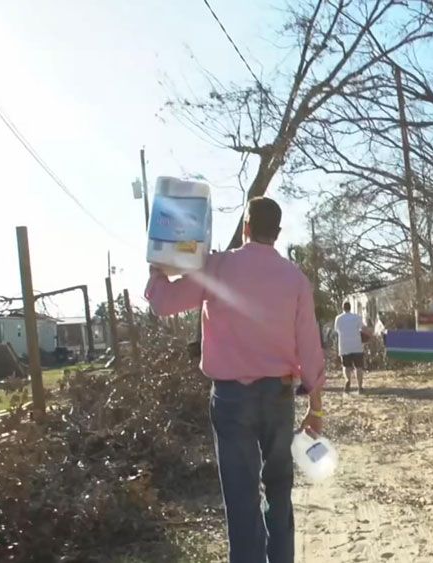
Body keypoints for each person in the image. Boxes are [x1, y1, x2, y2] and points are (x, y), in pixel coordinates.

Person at [145, 196, 325, 563]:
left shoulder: (218, 266)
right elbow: (309, 347)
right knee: (279, 492)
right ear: (277, 233)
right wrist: (316, 408)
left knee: (241, 498)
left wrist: (157, 271)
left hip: (230, 400)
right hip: (278, 397)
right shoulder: (295, 279)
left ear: (245, 227)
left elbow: (164, 304)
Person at [333, 302, 369, 393]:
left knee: (346, 366)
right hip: (356, 346)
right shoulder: (357, 317)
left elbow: (336, 330)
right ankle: (360, 387)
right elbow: (362, 328)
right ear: (350, 308)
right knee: (359, 367)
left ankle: (347, 380)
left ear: (343, 308)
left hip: (344, 346)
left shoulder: (338, 318)